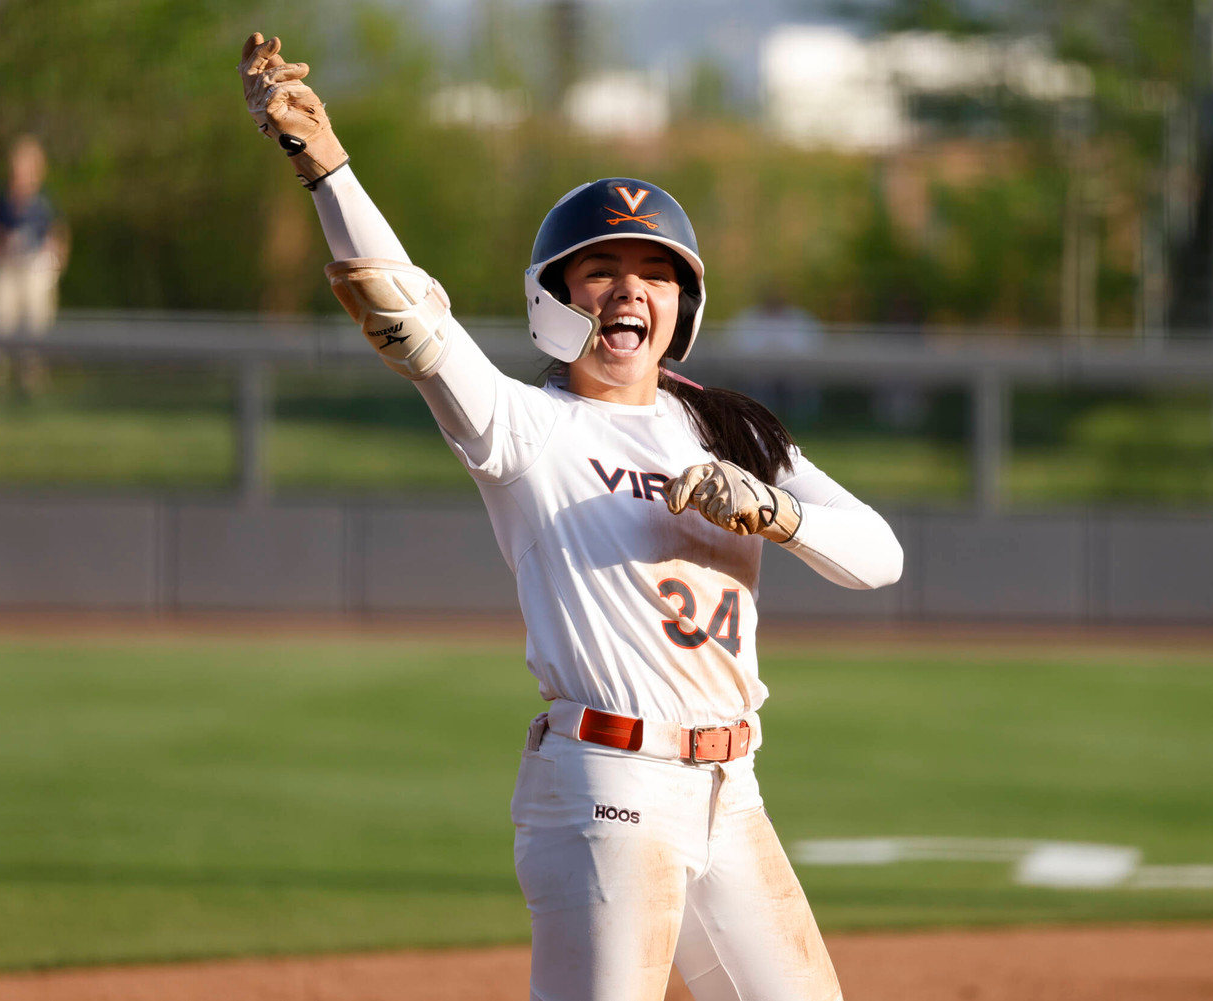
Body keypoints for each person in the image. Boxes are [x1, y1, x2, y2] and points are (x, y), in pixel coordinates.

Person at [238, 33, 902, 1000]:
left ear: (684, 304)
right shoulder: (527, 426)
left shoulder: (731, 429)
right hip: (608, 786)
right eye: (603, 269)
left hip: (732, 791)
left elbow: (879, 555)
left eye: (656, 271)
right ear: (554, 297)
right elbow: (405, 314)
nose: (632, 287)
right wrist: (327, 168)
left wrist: (773, 510)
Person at [0, 135, 69, 394]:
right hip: (7, 266)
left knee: (37, 321)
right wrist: (1, 243)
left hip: (36, 268)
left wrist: (56, 261)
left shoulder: (45, 202)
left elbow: (59, 235)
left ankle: (32, 382)